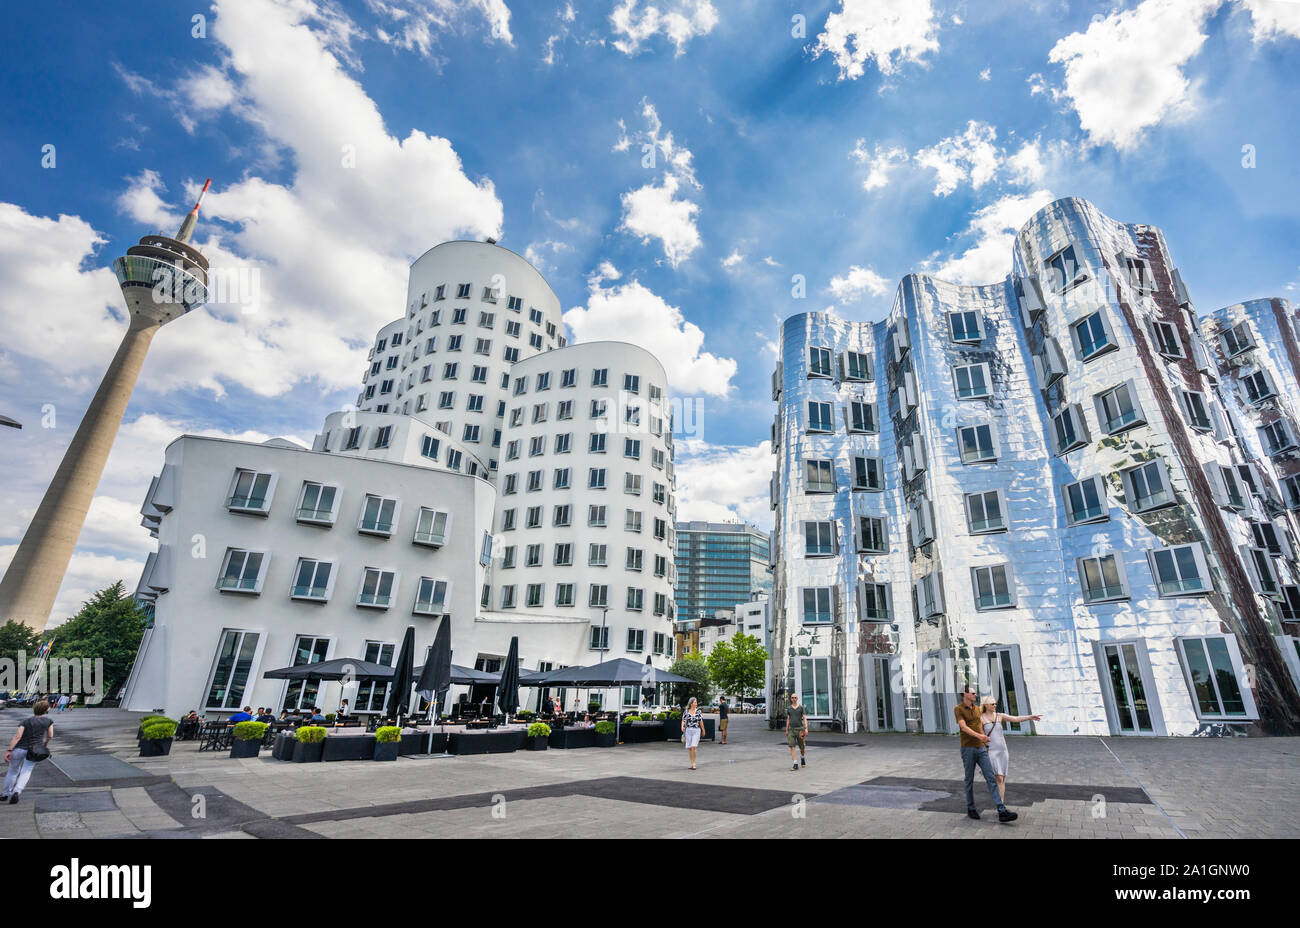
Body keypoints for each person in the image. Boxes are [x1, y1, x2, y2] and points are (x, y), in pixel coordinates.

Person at [954, 686, 1018, 823]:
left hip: (982, 748)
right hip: (968, 749)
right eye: (973, 693)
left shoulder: (977, 709)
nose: (975, 695)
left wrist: (985, 740)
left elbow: (981, 726)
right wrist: (980, 736)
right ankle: (971, 808)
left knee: (991, 778)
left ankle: (1001, 811)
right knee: (969, 779)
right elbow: (964, 727)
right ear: (965, 695)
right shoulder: (958, 709)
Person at [980, 697, 1041, 804]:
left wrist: (1030, 717)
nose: (995, 705)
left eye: (995, 703)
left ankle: (1001, 804)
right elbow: (980, 736)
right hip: (991, 751)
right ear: (986, 705)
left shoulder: (1000, 716)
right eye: (992, 704)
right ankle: (999, 803)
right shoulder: (981, 718)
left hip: (1003, 751)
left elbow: (1016, 719)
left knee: (1002, 779)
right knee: (998, 778)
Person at [2, 700, 54, 805]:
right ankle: (16, 791)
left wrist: (9, 750)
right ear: (47, 710)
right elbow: (50, 735)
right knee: (26, 772)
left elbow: (17, 737)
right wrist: (45, 744)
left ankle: (5, 794)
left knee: (12, 772)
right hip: (34, 751)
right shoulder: (48, 721)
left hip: (19, 749)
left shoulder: (25, 721)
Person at [785, 693, 808, 770]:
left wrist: (806, 728)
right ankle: (795, 763)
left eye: (795, 697)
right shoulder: (789, 708)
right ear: (791, 699)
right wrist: (786, 730)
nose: (794, 699)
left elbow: (804, 718)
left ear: (797, 699)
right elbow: (788, 719)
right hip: (791, 730)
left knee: (802, 747)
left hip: (800, 730)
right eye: (792, 698)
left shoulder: (801, 708)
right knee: (792, 747)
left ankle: (802, 757)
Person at [681, 697, 704, 770]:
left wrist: (703, 730)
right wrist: (682, 726)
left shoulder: (698, 712)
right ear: (691, 704)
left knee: (694, 746)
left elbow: (701, 721)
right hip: (688, 730)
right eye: (695, 702)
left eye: (696, 702)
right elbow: (683, 720)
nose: (696, 704)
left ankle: (694, 764)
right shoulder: (686, 711)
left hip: (696, 730)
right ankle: (692, 763)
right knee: (690, 748)